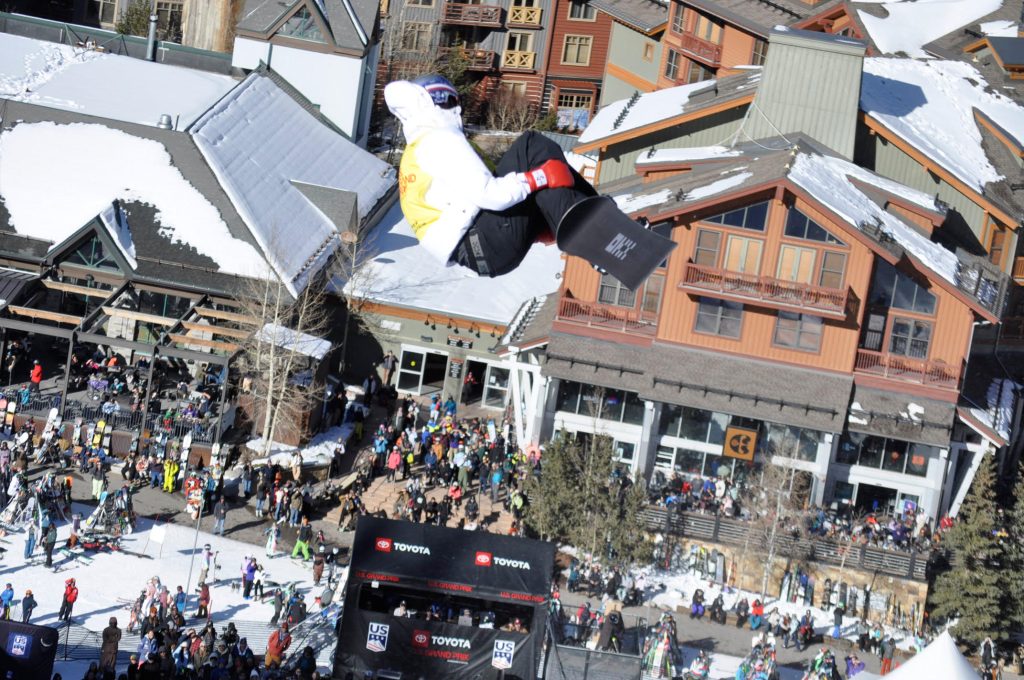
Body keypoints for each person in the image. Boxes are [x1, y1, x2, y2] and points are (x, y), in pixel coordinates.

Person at [384, 76, 595, 278]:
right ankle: (593, 226)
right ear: (433, 102)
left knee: (529, 172)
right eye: (449, 100)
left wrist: (537, 218)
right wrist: (539, 178)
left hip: (478, 253)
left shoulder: (416, 150)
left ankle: (580, 225)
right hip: (483, 240)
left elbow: (470, 198)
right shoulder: (439, 139)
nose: (456, 108)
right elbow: (491, 194)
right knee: (532, 146)